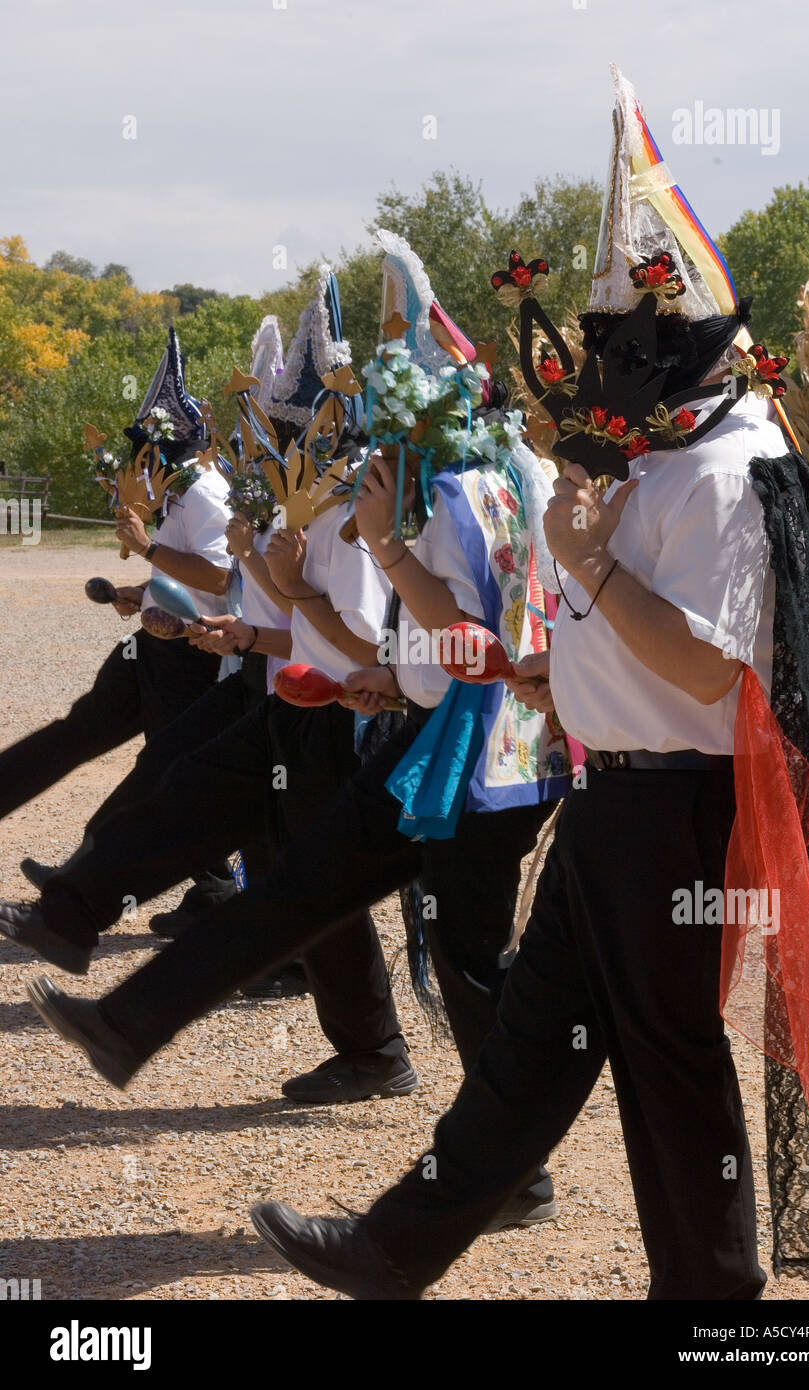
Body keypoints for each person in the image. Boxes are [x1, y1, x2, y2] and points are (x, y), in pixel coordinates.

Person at [240, 65, 809, 1299]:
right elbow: (630, 638)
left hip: (674, 816)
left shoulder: (734, 469)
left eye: (622, 348)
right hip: (616, 800)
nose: (599, 374)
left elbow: (701, 659)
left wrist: (581, 562)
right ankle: (386, 1252)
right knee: (532, 1045)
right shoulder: (662, 452)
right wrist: (552, 672)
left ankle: (715, 1302)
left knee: (665, 1062)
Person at [13, 232, 571, 1229]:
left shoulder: (440, 498)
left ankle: (500, 1168)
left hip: (469, 763)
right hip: (441, 743)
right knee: (310, 895)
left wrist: (382, 560)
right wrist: (379, 682)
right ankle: (129, 1018)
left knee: (465, 962)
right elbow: (443, 642)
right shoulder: (498, 482)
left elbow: (458, 629)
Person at [1, 328, 237, 911]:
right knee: (85, 733)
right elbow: (189, 577)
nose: (139, 458)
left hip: (191, 656)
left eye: (145, 448)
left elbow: (221, 578)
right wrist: (142, 589)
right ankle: (209, 886)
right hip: (155, 648)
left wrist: (149, 551)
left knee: (161, 772)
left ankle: (83, 890)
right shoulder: (176, 492)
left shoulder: (204, 493)